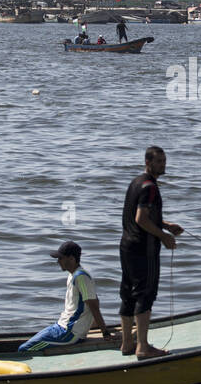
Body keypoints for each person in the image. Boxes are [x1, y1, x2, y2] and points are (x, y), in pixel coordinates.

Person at [119, 146, 184, 360]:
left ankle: (127, 343)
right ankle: (143, 347)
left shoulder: (136, 182)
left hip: (127, 246)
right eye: (159, 162)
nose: (163, 165)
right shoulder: (150, 187)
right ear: (148, 163)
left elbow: (141, 216)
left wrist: (165, 226)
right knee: (145, 294)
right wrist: (164, 237)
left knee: (128, 293)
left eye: (164, 161)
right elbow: (141, 219)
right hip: (143, 249)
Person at [19, 241, 114, 352]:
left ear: (72, 259)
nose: (58, 262)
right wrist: (90, 324)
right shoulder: (73, 275)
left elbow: (93, 305)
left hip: (69, 332)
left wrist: (105, 332)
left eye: (61, 258)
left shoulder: (81, 277)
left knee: (24, 349)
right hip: (61, 326)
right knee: (27, 345)